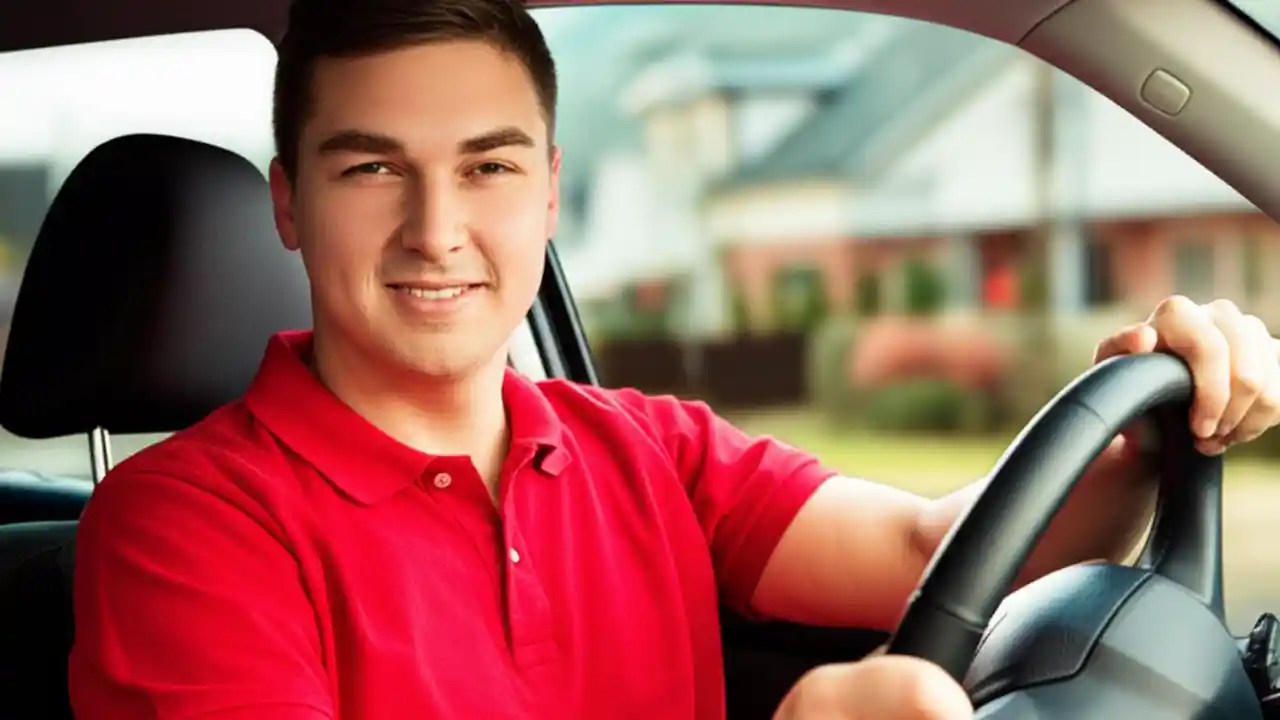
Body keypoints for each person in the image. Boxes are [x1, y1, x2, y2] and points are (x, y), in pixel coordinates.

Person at [68, 1, 1280, 718]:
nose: (435, 229)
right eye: (373, 167)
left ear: (547, 193)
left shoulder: (645, 446)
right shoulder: (180, 527)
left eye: (488, 167)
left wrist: (1143, 424)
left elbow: (931, 550)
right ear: (290, 204)